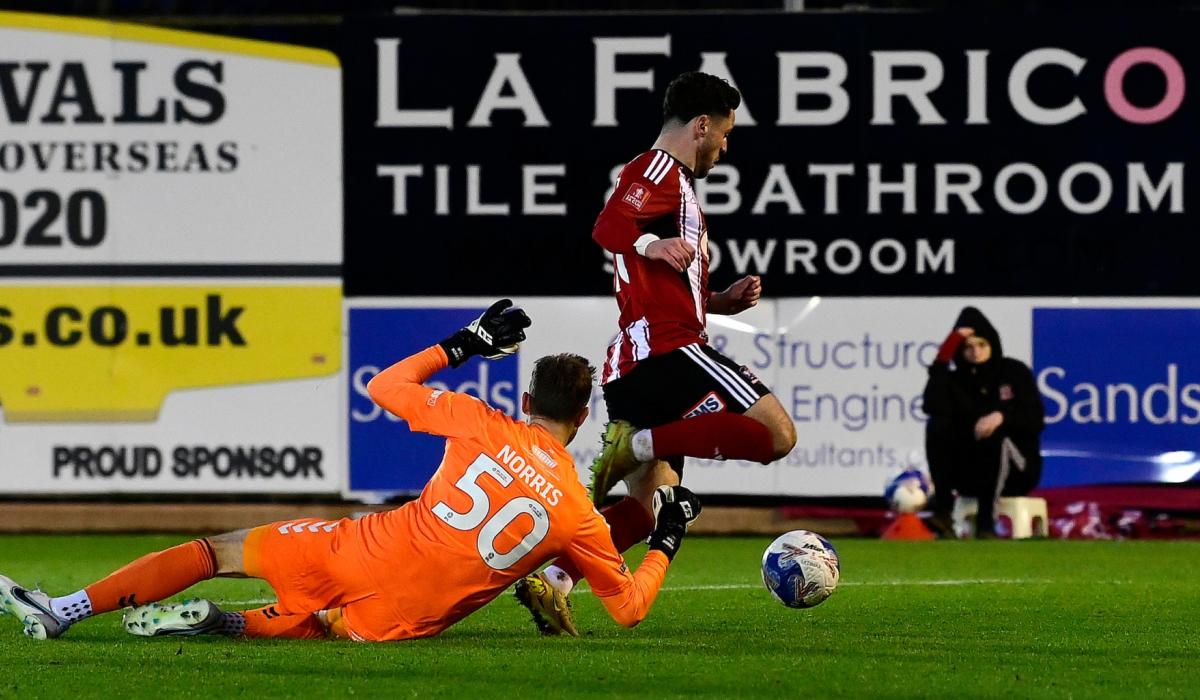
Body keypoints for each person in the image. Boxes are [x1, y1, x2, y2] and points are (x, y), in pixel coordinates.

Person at [0, 300, 702, 642]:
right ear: (583, 419)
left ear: (524, 401)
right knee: (332, 628)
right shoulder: (577, 512)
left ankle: (63, 611)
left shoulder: (479, 421)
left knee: (219, 550)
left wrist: (464, 343)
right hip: (411, 612)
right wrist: (666, 535)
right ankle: (229, 625)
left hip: (366, 546)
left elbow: (385, 388)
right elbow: (630, 609)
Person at [516, 71, 795, 634]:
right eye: (724, 132)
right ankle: (637, 440)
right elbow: (608, 225)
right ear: (700, 125)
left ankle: (556, 583)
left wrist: (718, 300)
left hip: (640, 361)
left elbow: (654, 275)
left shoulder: (676, 190)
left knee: (648, 510)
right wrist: (651, 241)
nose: (725, 145)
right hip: (669, 351)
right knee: (777, 436)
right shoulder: (657, 169)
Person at [922, 306, 1045, 538]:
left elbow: (1035, 419)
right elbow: (932, 406)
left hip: (1018, 471)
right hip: (970, 472)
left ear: (992, 344)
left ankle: (987, 521)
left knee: (995, 436)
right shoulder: (954, 380)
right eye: (967, 346)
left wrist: (1002, 416)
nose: (975, 352)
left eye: (981, 345)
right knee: (938, 426)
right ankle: (943, 511)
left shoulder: (1013, 371)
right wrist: (943, 358)